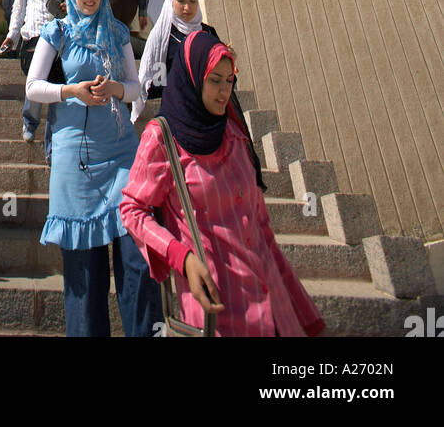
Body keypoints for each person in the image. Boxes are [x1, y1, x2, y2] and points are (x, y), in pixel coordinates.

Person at [120, 30, 325, 337]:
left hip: (272, 309)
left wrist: (302, 311)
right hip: (216, 308)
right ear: (192, 77)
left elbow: (262, 231)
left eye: (229, 81)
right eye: (214, 80)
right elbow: (132, 210)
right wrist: (182, 258)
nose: (223, 92)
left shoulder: (234, 134)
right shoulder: (162, 139)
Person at [25, 0, 159, 337]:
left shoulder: (116, 32)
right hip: (75, 158)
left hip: (120, 152)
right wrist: (71, 91)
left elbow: (136, 89)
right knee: (85, 269)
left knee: (138, 256)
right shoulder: (58, 30)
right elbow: (33, 87)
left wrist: (116, 89)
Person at [0, 0, 64, 155]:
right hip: (34, 36)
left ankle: (52, 147)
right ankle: (30, 122)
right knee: (36, 81)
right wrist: (12, 35)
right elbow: (18, 7)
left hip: (57, 37)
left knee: (55, 89)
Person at [132, 0, 217, 121]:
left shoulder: (209, 33)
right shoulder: (163, 38)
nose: (187, 7)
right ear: (171, 1)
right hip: (180, 115)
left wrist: (227, 61)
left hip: (211, 113)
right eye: (181, 0)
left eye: (192, 1)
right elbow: (156, 86)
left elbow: (228, 80)